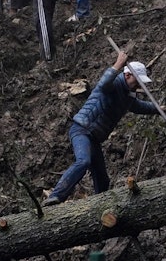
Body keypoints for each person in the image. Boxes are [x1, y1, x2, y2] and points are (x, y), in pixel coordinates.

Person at [45, 50, 157, 204]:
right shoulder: (114, 84)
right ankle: (55, 196)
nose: (139, 85)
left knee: (102, 179)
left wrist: (159, 108)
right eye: (137, 81)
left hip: (95, 138)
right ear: (128, 75)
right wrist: (118, 63)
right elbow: (104, 82)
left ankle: (100, 206)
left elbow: (139, 107)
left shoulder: (128, 95)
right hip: (82, 130)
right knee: (83, 161)